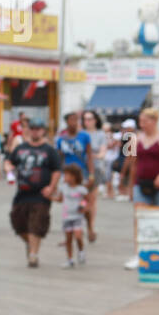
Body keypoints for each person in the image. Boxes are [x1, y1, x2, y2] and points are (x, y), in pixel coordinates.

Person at [6, 118, 62, 267]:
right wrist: (9, 170)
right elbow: (10, 161)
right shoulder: (21, 148)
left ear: (43, 131)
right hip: (22, 193)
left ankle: (33, 255)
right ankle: (30, 244)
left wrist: (51, 187)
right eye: (33, 129)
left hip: (41, 194)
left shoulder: (49, 150)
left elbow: (57, 170)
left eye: (38, 129)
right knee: (18, 224)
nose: (35, 131)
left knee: (36, 224)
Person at [53, 163, 89, 268]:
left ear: (74, 176)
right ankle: (70, 259)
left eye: (67, 175)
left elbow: (86, 200)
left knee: (78, 236)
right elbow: (60, 199)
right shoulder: (63, 188)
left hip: (77, 217)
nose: (65, 177)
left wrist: (83, 206)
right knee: (68, 238)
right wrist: (50, 197)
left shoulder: (81, 189)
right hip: (66, 217)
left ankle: (81, 251)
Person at [79, 109, 107, 242]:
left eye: (90, 119)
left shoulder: (100, 134)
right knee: (82, 198)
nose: (87, 121)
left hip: (95, 169)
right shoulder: (81, 134)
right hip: (81, 169)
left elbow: (102, 153)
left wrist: (91, 155)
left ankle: (91, 226)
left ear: (95, 120)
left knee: (92, 199)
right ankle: (84, 223)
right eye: (85, 119)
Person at [117, 118, 137, 199]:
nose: (125, 130)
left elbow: (130, 157)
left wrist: (123, 171)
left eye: (127, 128)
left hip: (135, 165)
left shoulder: (133, 138)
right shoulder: (129, 137)